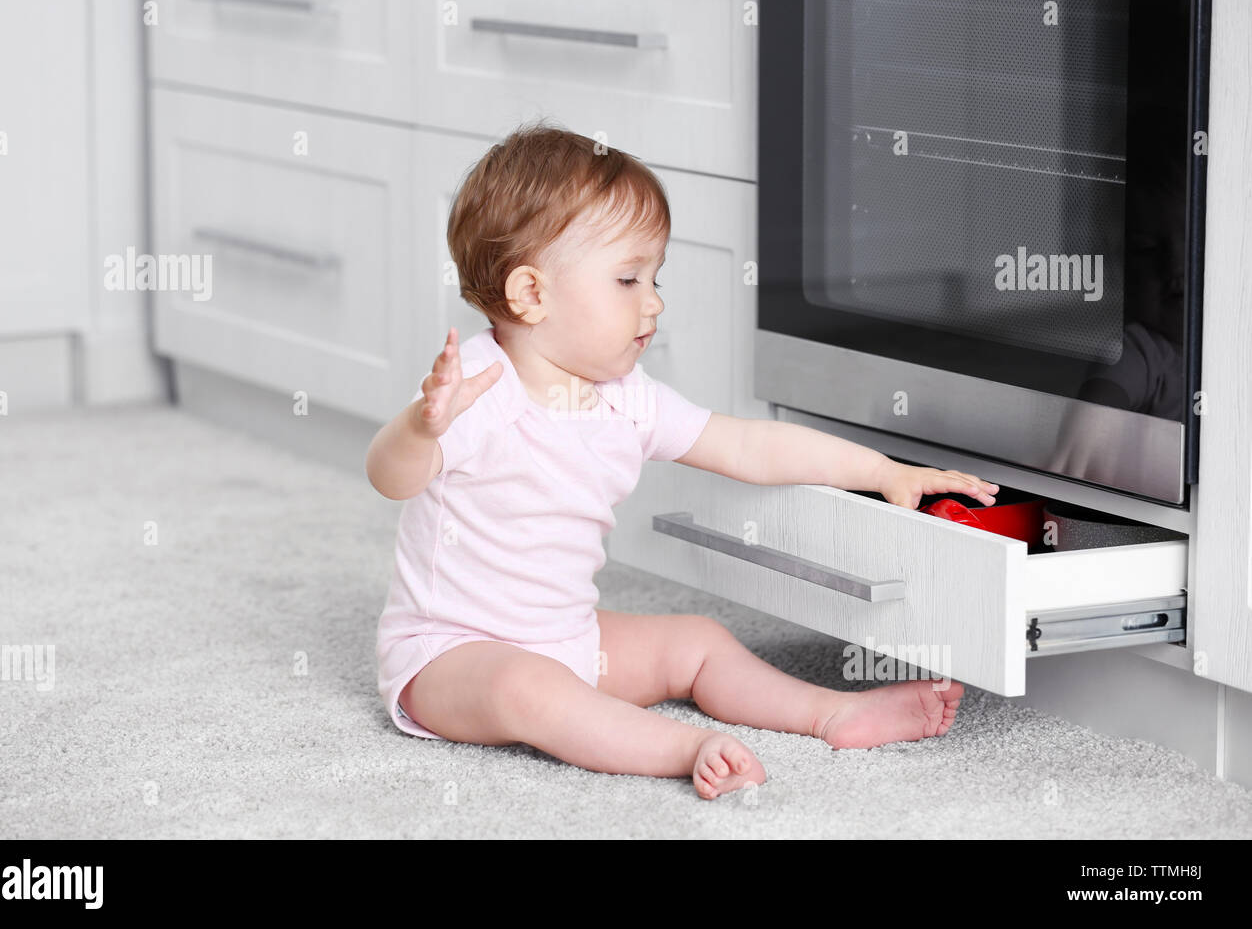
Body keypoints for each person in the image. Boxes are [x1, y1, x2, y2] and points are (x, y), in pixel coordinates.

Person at [366, 120, 996, 799]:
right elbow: (390, 478)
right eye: (628, 279)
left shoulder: (626, 400)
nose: (655, 301)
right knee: (528, 688)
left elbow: (747, 445)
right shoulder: (477, 392)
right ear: (531, 295)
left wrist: (881, 472)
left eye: (654, 277)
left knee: (696, 640)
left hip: (571, 640)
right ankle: (686, 747)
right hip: (448, 658)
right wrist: (419, 429)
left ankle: (830, 712)